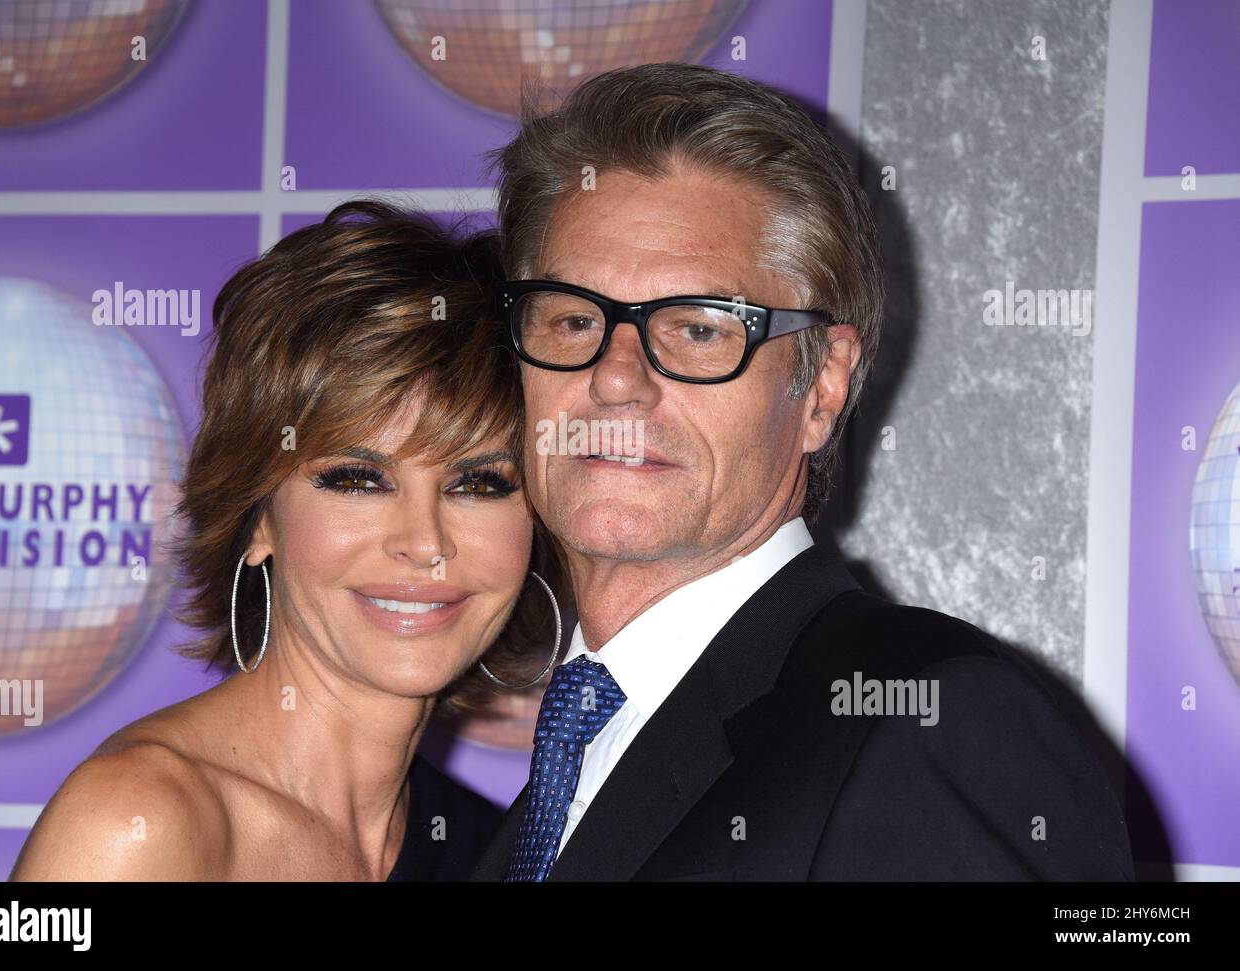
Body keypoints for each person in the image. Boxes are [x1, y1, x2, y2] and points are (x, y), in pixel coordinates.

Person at [470, 63, 1134, 881]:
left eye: (700, 329)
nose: (615, 376)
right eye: (574, 319)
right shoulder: (544, 791)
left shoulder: (927, 722)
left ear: (822, 386)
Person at [11, 201, 561, 881]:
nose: (426, 542)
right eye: (358, 479)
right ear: (258, 514)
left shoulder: (500, 853)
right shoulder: (138, 822)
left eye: (478, 484)